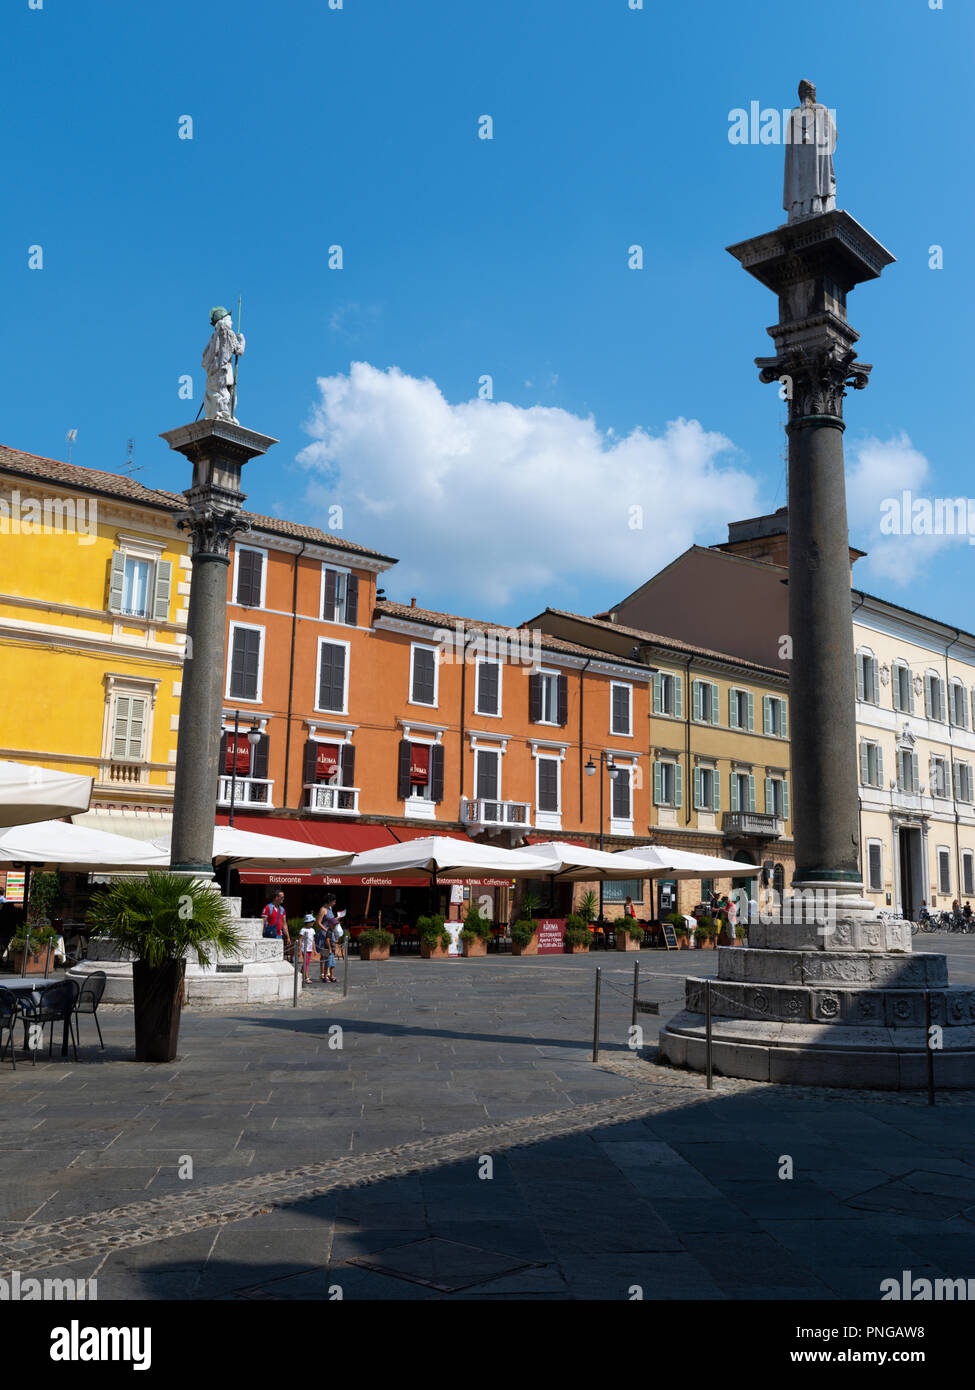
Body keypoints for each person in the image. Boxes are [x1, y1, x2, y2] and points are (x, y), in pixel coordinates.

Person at [262, 891, 290, 956]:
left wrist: (288, 937)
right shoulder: (268, 907)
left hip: (279, 935)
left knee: (277, 955)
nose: (283, 899)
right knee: (268, 955)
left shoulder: (282, 909)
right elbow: (262, 922)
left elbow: (284, 924)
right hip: (269, 935)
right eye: (282, 897)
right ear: (276, 898)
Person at [298, 914, 316, 983]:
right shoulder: (303, 930)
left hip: (310, 948)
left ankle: (301, 973)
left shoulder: (312, 930)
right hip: (304, 948)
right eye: (311, 921)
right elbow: (300, 939)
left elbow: (313, 940)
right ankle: (306, 977)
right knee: (306, 963)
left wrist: (314, 949)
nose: (312, 923)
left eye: (313, 921)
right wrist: (299, 949)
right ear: (307, 922)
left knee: (307, 963)